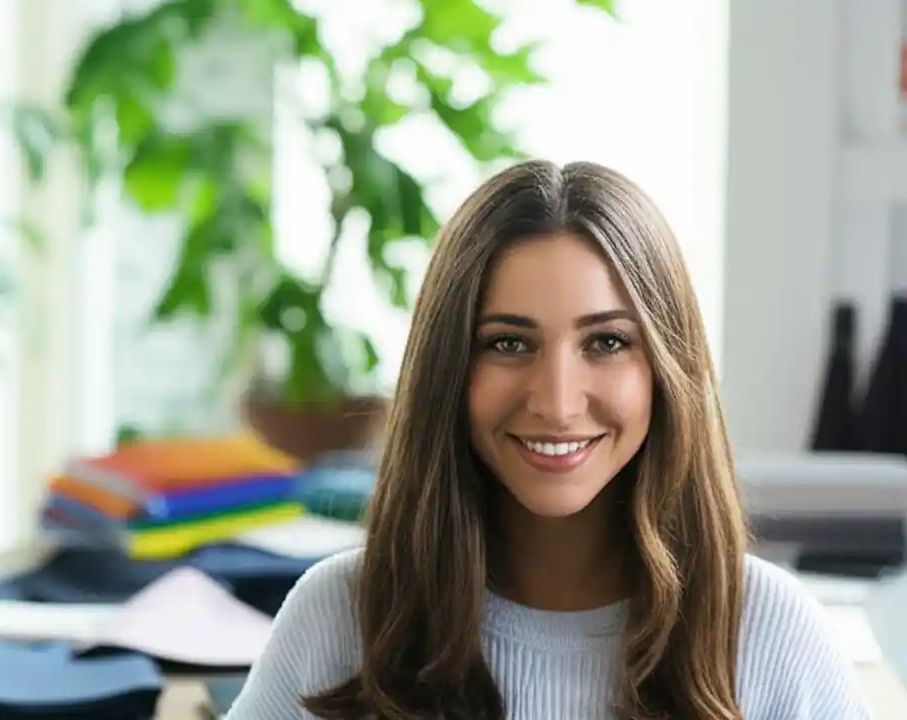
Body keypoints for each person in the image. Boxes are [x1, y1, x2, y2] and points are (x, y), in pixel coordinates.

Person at [227, 160, 872, 719]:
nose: (558, 402)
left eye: (607, 342)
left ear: (665, 373)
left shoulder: (768, 630)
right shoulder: (339, 618)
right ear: (447, 367)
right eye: (509, 343)